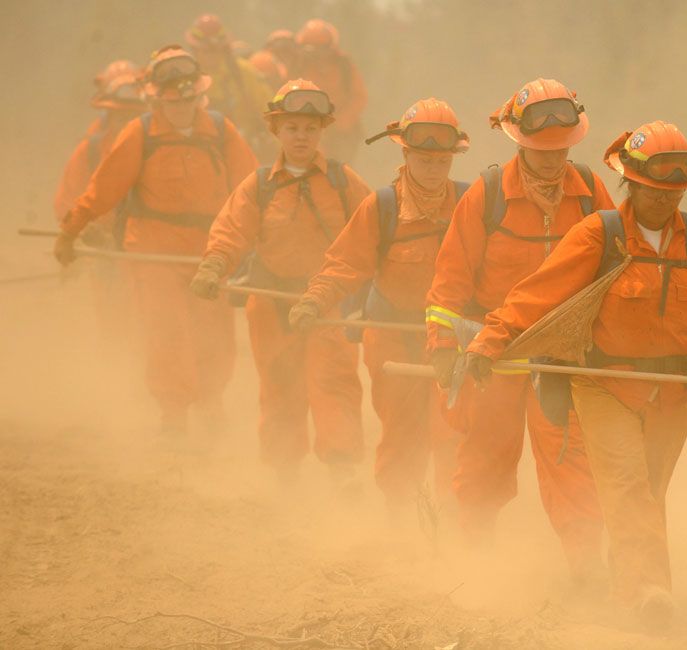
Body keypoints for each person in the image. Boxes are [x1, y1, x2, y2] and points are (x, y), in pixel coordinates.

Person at [464, 121, 687, 627]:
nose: (664, 199)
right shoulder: (599, 234)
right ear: (630, 182)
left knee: (649, 491)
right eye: (653, 188)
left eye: (675, 190)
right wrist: (490, 340)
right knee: (626, 483)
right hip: (603, 385)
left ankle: (625, 582)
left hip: (671, 391)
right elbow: (538, 294)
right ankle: (648, 592)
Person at [425, 78, 611, 582]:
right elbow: (449, 278)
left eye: (561, 149)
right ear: (519, 142)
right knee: (484, 456)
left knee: (571, 456)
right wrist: (442, 344)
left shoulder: (591, 193)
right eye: (541, 149)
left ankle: (585, 564)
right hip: (494, 351)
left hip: (563, 350)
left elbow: (617, 265)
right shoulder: (487, 196)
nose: (552, 160)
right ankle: (474, 555)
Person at [54, 45, 257, 436]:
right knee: (167, 332)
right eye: (172, 100)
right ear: (157, 99)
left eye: (188, 98)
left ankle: (211, 403)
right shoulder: (140, 133)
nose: (181, 106)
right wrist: (71, 229)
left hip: (210, 253)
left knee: (214, 331)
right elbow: (103, 189)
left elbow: (252, 191)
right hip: (153, 252)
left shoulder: (221, 131)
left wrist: (261, 237)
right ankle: (173, 413)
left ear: (200, 95)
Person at [287, 98, 469, 514]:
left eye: (442, 161)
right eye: (424, 159)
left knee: (453, 430)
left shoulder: (469, 204)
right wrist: (315, 299)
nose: (433, 168)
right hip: (392, 337)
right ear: (405, 155)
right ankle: (399, 512)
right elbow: (345, 264)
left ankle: (451, 517)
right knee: (401, 429)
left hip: (454, 340)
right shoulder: (383, 208)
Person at [190, 79, 371, 485]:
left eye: (310, 128)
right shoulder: (259, 185)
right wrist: (213, 266)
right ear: (276, 130)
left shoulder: (343, 181)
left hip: (329, 305)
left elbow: (371, 231)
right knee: (279, 385)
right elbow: (231, 231)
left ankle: (341, 470)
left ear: (322, 131)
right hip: (271, 303)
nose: (301, 136)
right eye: (292, 128)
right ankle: (284, 472)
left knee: (334, 381)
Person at [53, 60, 146, 341]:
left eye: (133, 116)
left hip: (151, 252)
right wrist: (85, 233)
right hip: (107, 253)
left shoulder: (160, 147)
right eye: (119, 116)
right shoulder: (91, 151)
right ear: (107, 114)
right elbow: (67, 202)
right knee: (113, 321)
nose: (126, 123)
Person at [185, 13, 273, 158]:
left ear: (224, 47)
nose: (211, 55)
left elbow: (270, 111)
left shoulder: (242, 73)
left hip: (244, 152)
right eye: (205, 50)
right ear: (194, 49)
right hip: (197, 155)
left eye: (215, 49)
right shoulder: (185, 77)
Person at [295, 19, 367, 163]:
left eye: (321, 48)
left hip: (342, 132)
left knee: (340, 170)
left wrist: (341, 122)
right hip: (308, 129)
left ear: (331, 47)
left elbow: (359, 97)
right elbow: (288, 95)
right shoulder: (299, 66)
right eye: (311, 49)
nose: (317, 54)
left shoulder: (344, 65)